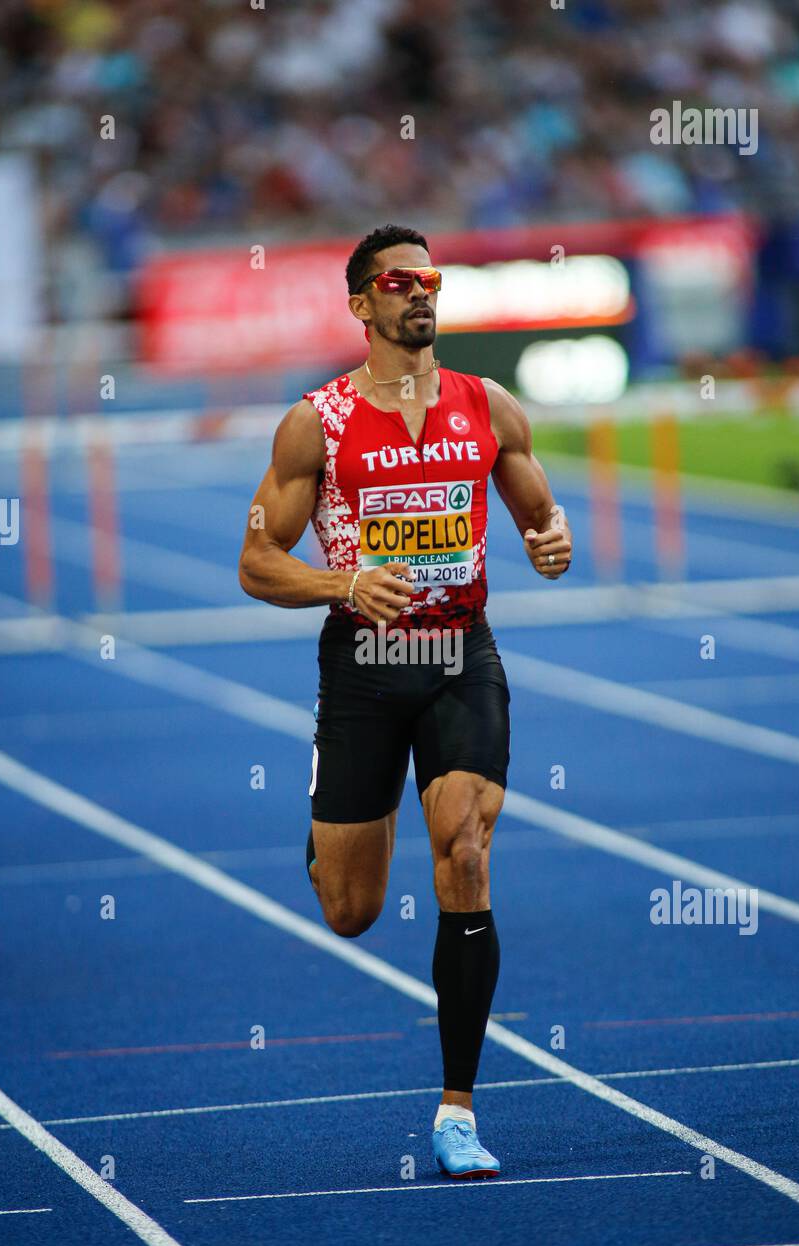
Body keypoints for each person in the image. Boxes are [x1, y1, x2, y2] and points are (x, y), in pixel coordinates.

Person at [239, 224, 572, 1177]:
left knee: (465, 845)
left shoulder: (487, 405)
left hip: (460, 652)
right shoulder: (319, 423)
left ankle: (457, 1109)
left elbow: (543, 522)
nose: (420, 293)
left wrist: (554, 544)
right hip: (363, 666)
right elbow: (257, 561)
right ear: (360, 303)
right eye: (398, 281)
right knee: (352, 910)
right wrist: (344, 585)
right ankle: (332, 824)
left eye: (430, 279)